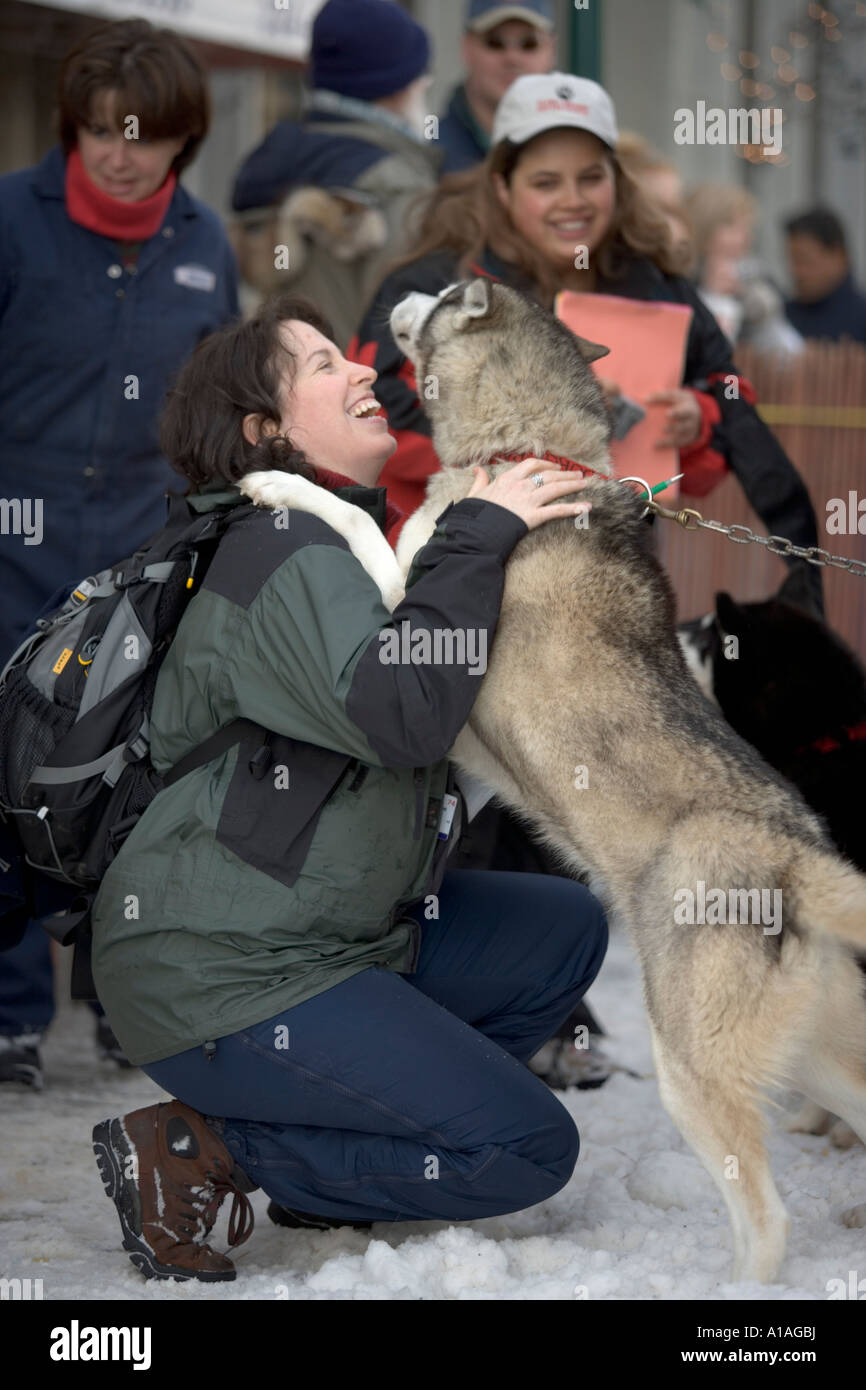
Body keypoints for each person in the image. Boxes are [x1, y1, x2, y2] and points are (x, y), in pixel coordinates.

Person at [89, 291, 608, 1281]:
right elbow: (398, 712)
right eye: (323, 364)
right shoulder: (280, 547)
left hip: (332, 931)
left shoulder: (351, 548)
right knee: (522, 1148)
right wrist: (476, 534)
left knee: (560, 927)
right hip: (224, 969)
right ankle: (205, 1150)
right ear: (264, 429)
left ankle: (352, 1145)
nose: (363, 369)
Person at [0, 18, 239, 1085]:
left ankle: (116, 996)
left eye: (143, 134)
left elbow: (214, 413)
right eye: (99, 129)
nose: (119, 152)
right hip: (12, 548)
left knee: (125, 788)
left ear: (181, 141)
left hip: (135, 573)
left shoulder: (202, 247)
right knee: (6, 778)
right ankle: (10, 1013)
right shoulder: (12, 219)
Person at [352, 72, 822, 600]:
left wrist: (695, 419)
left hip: (595, 580)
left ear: (617, 181)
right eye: (546, 182)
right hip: (448, 571)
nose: (572, 201)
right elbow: (373, 410)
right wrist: (545, 426)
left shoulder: (657, 287)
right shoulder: (438, 284)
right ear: (503, 187)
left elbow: (735, 412)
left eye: (591, 177)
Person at [229, 0, 438, 348]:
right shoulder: (397, 182)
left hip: (275, 390)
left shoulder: (267, 163)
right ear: (400, 86)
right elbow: (409, 336)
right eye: (419, 76)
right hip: (366, 397)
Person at [438, 0, 556, 175]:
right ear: (467, 48)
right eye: (495, 43)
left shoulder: (580, 147)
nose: (512, 58)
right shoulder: (431, 156)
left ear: (551, 50)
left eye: (529, 44)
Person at [686, 184, 803, 356]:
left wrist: (749, 300)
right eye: (731, 226)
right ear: (703, 227)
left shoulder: (753, 276)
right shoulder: (686, 279)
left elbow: (786, 345)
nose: (744, 236)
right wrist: (711, 294)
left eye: (747, 227)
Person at [783, 207, 866, 345]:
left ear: (838, 256)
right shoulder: (784, 317)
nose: (796, 271)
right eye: (792, 260)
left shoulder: (861, 319)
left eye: (804, 260)